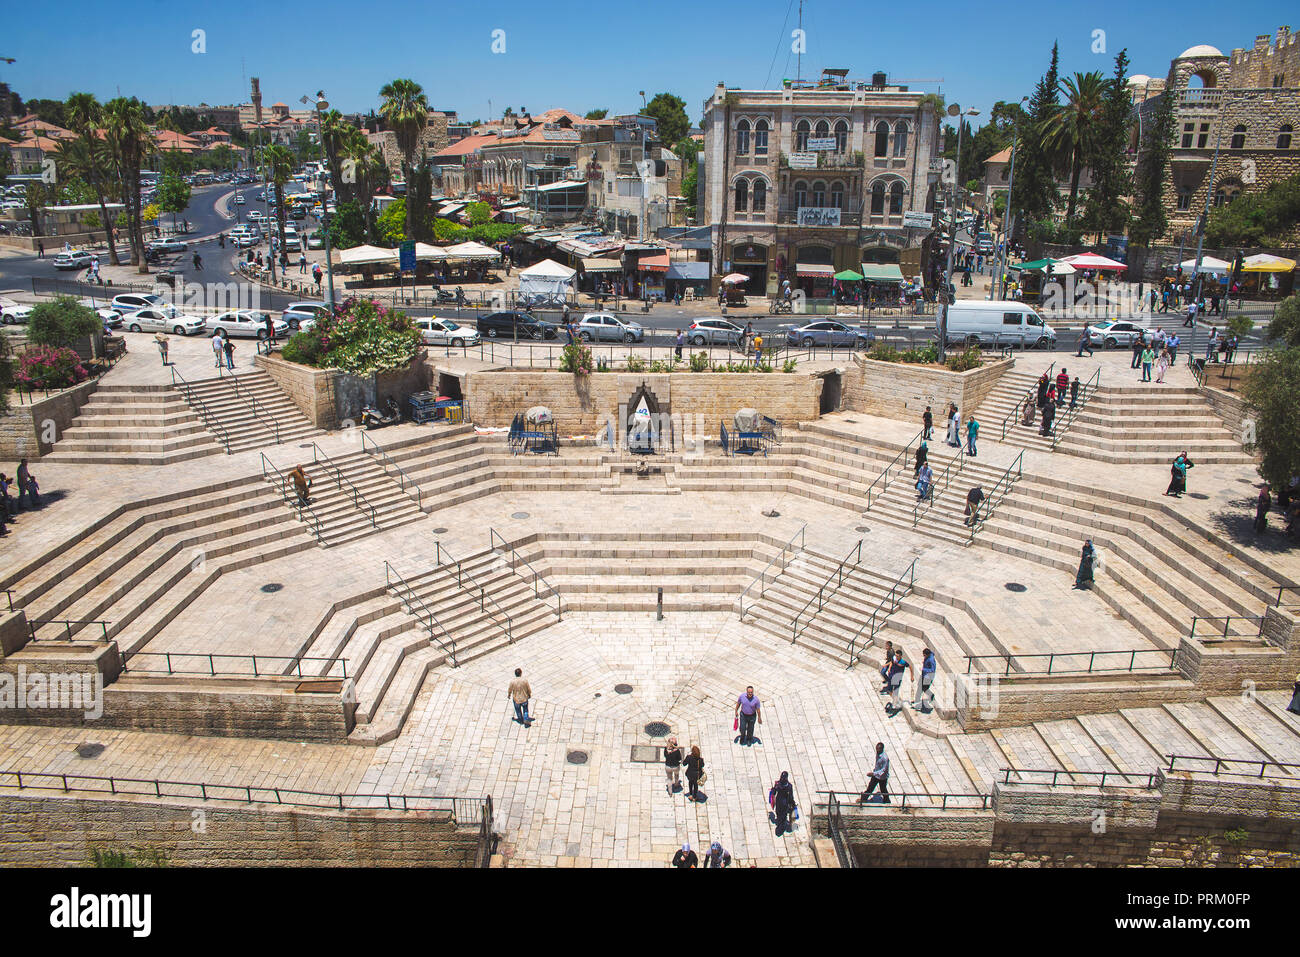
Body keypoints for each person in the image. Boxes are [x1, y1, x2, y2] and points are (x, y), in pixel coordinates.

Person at [770, 771, 796, 837]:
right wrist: (793, 803)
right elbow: (791, 796)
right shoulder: (789, 786)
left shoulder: (778, 784)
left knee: (780, 814)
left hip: (779, 802)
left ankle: (781, 823)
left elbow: (773, 792)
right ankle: (782, 824)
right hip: (784, 803)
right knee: (783, 815)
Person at [885, 647, 911, 715]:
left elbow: (910, 667)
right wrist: (889, 668)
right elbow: (891, 662)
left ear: (901, 656)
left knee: (895, 692)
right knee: (889, 690)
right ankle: (895, 700)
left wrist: (912, 676)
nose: (896, 657)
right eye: (896, 655)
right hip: (891, 676)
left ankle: (895, 704)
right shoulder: (894, 658)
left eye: (898, 656)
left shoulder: (903, 662)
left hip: (897, 678)